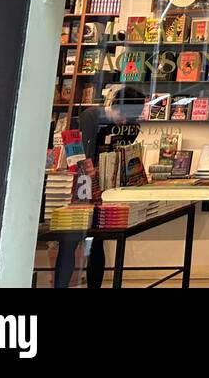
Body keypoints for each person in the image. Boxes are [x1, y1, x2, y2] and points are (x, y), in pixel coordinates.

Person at [52, 85, 146, 289]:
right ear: (115, 105)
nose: (124, 121)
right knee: (70, 241)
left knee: (98, 241)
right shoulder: (92, 116)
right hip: (82, 185)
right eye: (122, 114)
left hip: (105, 188)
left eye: (129, 118)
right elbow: (78, 153)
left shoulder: (129, 127)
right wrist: (87, 167)